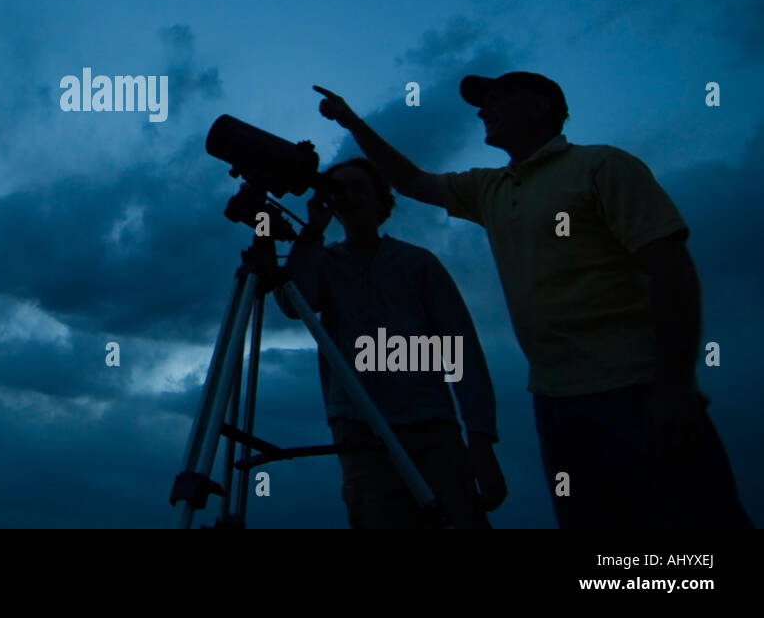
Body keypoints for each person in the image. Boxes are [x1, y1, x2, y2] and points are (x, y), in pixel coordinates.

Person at [312, 73, 754, 528]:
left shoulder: (602, 166)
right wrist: (351, 121)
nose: (484, 111)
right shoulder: (490, 188)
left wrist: (674, 387)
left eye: (496, 99)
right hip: (555, 402)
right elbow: (407, 179)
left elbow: (671, 269)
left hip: (636, 389)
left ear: (541, 107)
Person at [277, 157, 506, 528]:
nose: (348, 197)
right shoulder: (325, 260)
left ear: (381, 200)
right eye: (340, 190)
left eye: (358, 188)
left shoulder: (418, 264)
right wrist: (311, 234)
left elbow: (460, 349)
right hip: (359, 428)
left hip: (430, 427)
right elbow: (294, 303)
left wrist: (480, 439)